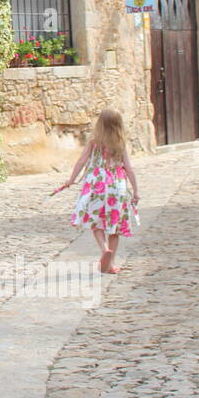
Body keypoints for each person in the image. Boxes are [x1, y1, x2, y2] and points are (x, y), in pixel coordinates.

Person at [56, 109, 140, 274]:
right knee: (114, 226)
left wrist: (71, 180)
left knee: (96, 221)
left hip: (97, 185)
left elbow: (81, 162)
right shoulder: (120, 143)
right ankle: (110, 265)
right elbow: (129, 169)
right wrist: (136, 191)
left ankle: (104, 249)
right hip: (117, 186)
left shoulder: (94, 141)